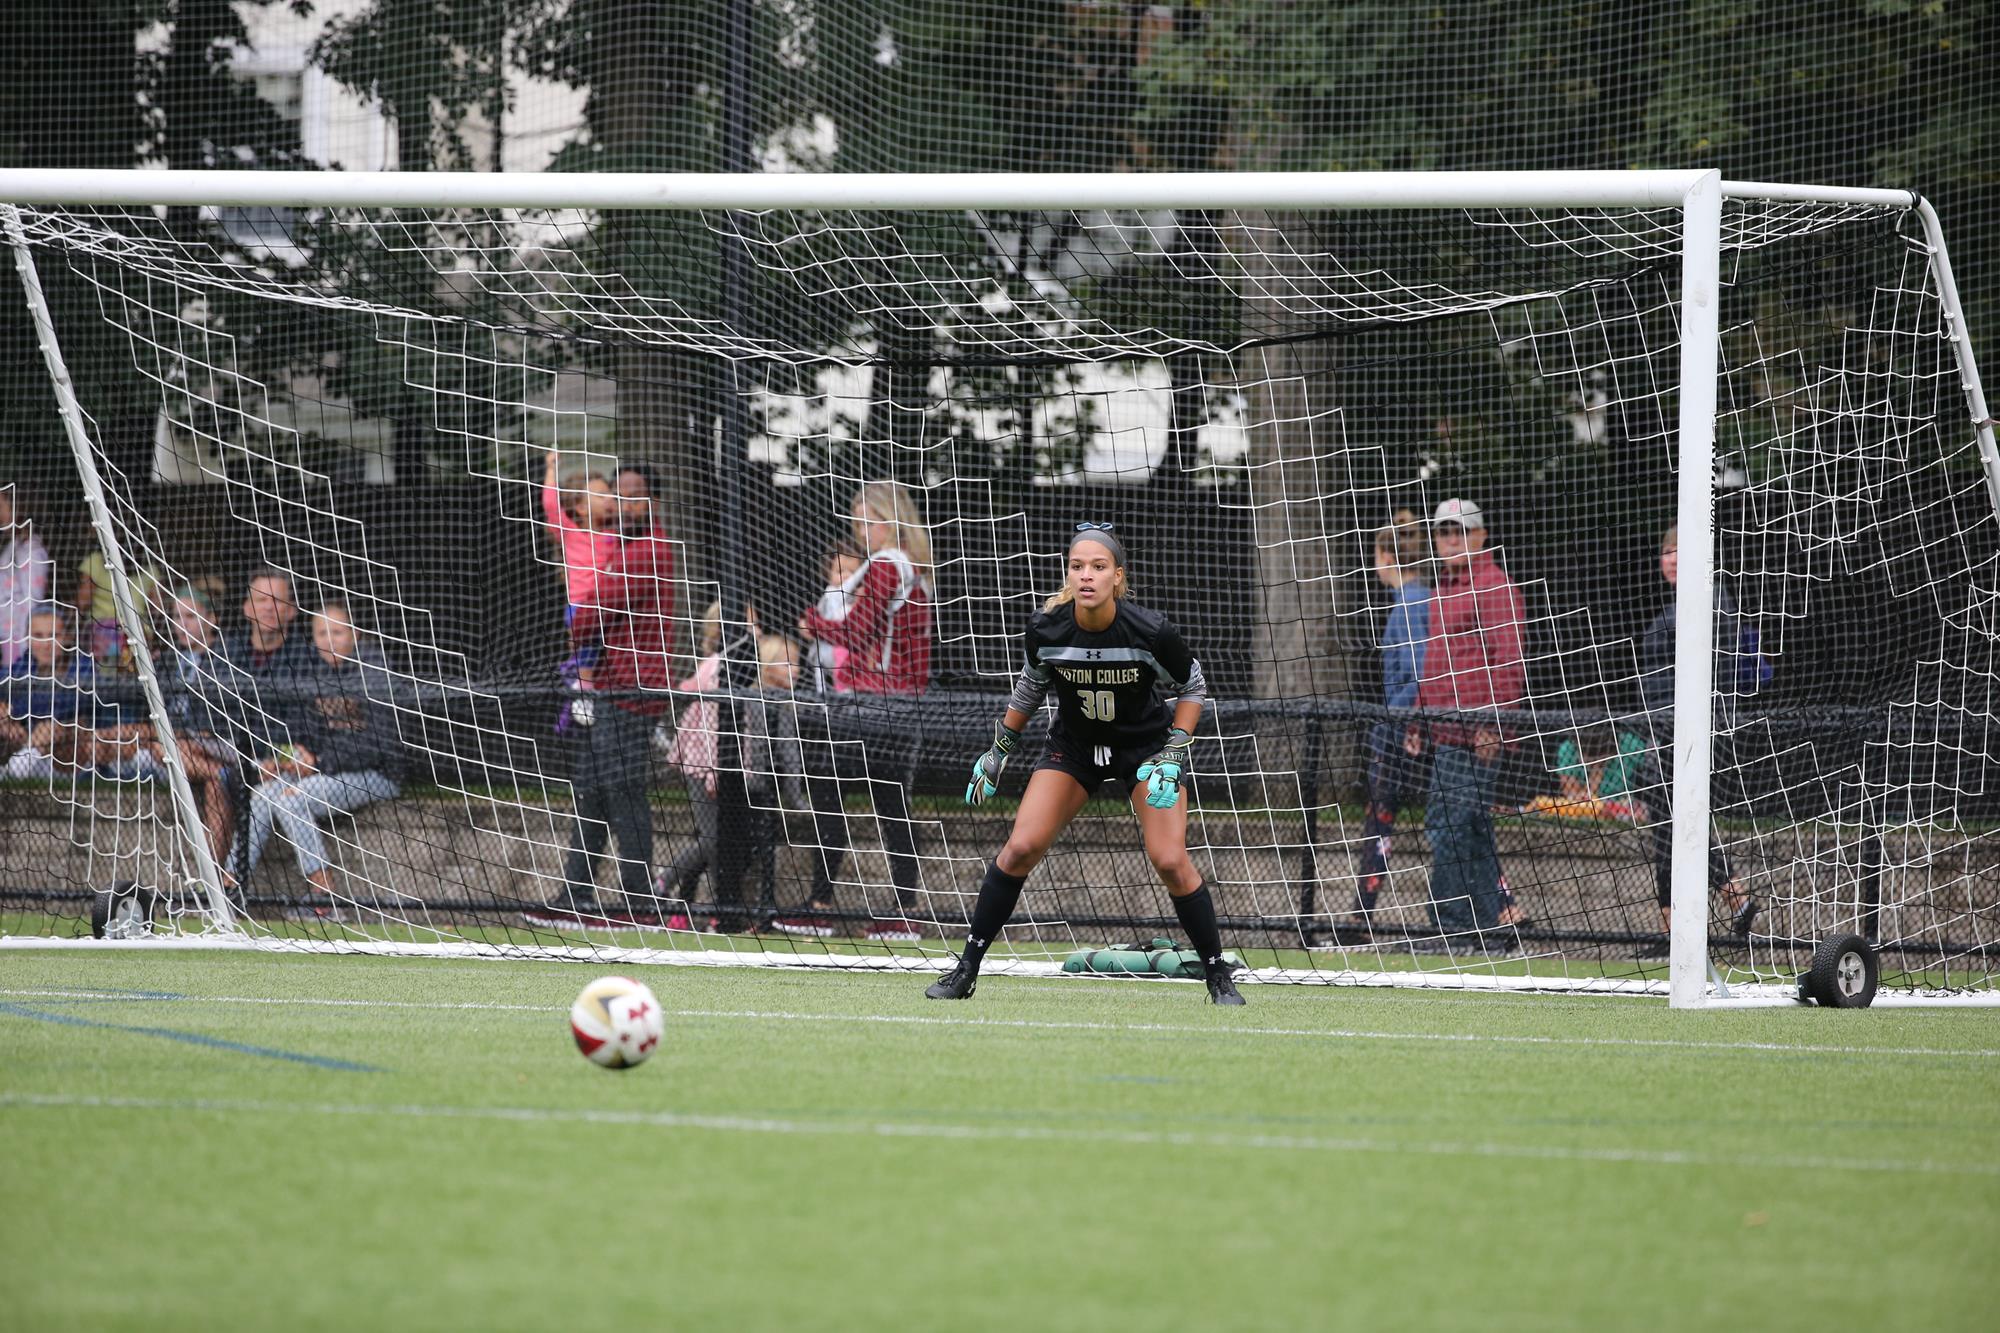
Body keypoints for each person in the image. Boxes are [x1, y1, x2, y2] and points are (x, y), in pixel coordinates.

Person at [927, 522, 1242, 1005]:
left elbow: (1193, 687)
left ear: (1118, 576)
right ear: (1067, 574)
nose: (1086, 575)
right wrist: (998, 753)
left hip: (1145, 751)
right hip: (1073, 750)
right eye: (1077, 566)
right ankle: (966, 968)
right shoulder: (1047, 628)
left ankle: (1218, 975)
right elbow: (1031, 688)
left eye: (1098, 567)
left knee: (1171, 860)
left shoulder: (1151, 631)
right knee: (1019, 848)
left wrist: (1175, 754)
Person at [774, 481, 933, 942]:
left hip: (874, 703)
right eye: (857, 522)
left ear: (892, 521)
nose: (861, 532)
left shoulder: (887, 565)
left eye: (869, 522)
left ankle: (826, 904)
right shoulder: (913, 567)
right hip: (897, 703)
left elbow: (858, 633)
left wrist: (814, 622)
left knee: (829, 789)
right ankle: (901, 908)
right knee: (889, 803)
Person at [542, 460, 677, 925]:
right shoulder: (614, 545)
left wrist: (578, 624)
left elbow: (592, 613)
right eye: (616, 494)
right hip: (608, 686)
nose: (623, 502)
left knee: (622, 790)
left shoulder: (645, 550)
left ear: (653, 503)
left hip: (630, 690)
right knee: (594, 790)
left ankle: (641, 899)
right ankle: (575, 894)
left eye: (634, 494)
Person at [227, 601, 404, 915]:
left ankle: (326, 900)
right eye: (322, 633)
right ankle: (229, 889)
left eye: (337, 632)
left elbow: (380, 744)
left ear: (355, 634)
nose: (329, 640)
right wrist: (291, 756)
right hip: (326, 770)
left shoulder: (374, 670)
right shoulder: (314, 669)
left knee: (291, 800)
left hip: (377, 775)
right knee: (263, 796)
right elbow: (301, 727)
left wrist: (317, 763)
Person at [1405, 498, 1526, 936]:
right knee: (1465, 828)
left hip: (1476, 732)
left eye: (1459, 531)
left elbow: (1509, 660)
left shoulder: (1495, 586)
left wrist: (1494, 725)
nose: (1450, 539)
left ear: (1480, 536)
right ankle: (1490, 924)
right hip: (1444, 730)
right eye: (1443, 532)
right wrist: (1418, 722)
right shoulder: (1442, 589)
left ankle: (1453, 925)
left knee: (1451, 827)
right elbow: (1435, 663)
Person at [1634, 524, 1758, 947]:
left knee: (1670, 826)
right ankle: (1731, 898)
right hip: (1666, 730)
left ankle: (1684, 925)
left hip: (1693, 731)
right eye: (1667, 552)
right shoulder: (1678, 608)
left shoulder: (1709, 603)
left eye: (1680, 552)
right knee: (1672, 824)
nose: (1671, 560)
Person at [1339, 511, 1432, 934]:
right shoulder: (1412, 601)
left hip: (1403, 730)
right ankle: (1362, 909)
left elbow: (1419, 672)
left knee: (1386, 817)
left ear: (1383, 556)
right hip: (1401, 725)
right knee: (1386, 816)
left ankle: (1362, 913)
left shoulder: (1412, 605)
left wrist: (1409, 724)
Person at [542, 447, 623, 708]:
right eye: (600, 495)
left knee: (606, 650)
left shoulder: (616, 536)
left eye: (609, 493)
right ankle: (582, 688)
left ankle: (585, 679)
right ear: (580, 508)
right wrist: (553, 468)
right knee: (586, 646)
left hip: (609, 606)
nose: (609, 498)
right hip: (581, 606)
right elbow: (551, 506)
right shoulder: (571, 533)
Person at [1, 604, 102, 780]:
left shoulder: (85, 668)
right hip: (27, 744)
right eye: (38, 636)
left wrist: (19, 716)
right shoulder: (21, 667)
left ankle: (15, 772)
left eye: (54, 636)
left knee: (50, 729)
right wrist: (5, 716)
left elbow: (73, 712)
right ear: (27, 638)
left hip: (72, 757)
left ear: (67, 638)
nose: (46, 644)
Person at [1527, 721, 1646, 819]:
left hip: (1624, 806)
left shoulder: (1631, 745)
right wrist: (1594, 777)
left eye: (1602, 759)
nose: (1597, 762)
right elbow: (1573, 795)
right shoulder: (1568, 750)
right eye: (1592, 760)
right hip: (1587, 810)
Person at [1, 484, 54, 672]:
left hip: (17, 639)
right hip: (6, 635)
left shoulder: (32, 550)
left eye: (1, 506)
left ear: (17, 507)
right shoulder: (13, 546)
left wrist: (25, 643)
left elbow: (32, 600)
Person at [806, 537, 864, 692]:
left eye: (852, 572)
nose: (846, 576)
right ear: (828, 573)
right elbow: (819, 618)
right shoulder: (829, 594)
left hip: (853, 647)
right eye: (840, 571)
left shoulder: (861, 594)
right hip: (828, 648)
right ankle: (840, 692)